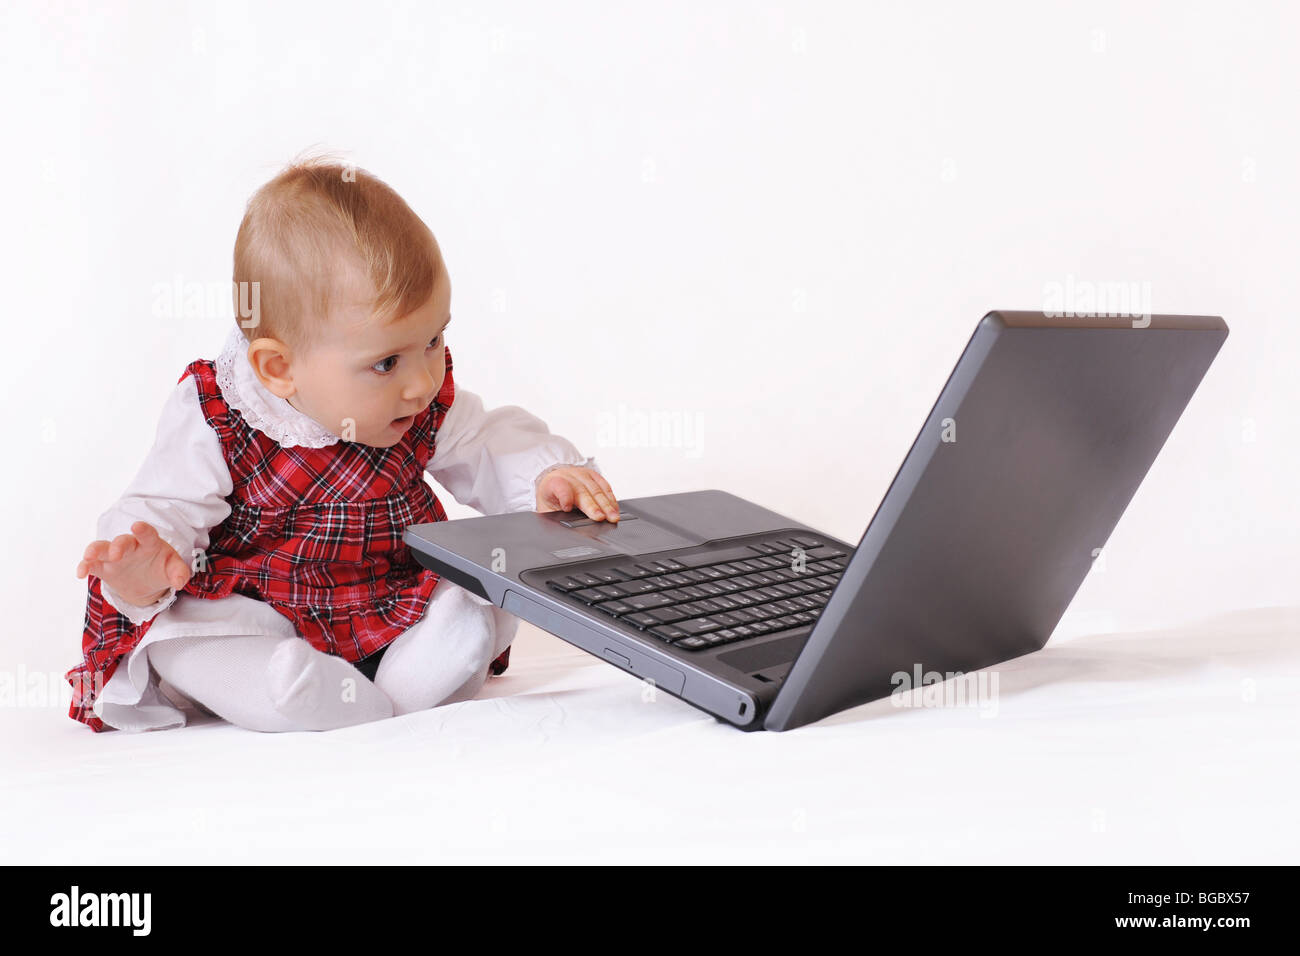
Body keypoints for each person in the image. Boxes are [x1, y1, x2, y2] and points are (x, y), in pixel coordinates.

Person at [66, 155, 619, 733]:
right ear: (280, 367)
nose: (421, 381)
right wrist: (145, 563)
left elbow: (486, 442)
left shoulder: (421, 401)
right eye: (386, 362)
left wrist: (544, 477)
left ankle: (419, 672)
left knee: (469, 590)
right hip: (260, 607)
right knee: (183, 637)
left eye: (433, 339)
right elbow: (167, 505)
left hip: (390, 601)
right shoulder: (221, 412)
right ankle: (286, 688)